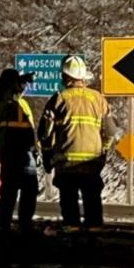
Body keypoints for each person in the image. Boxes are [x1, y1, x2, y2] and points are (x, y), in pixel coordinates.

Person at [38, 55, 117, 236]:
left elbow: (44, 133)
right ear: (83, 77)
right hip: (91, 163)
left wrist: (47, 155)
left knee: (69, 202)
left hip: (66, 164)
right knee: (92, 200)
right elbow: (111, 131)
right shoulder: (98, 99)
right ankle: (94, 235)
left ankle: (72, 235)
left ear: (66, 77)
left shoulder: (59, 98)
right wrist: (104, 149)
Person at [0, 68, 39, 242]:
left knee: (29, 190)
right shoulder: (2, 101)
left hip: (25, 151)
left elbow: (30, 129)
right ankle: (3, 228)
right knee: (10, 190)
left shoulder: (22, 104)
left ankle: (25, 226)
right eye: (18, 83)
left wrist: (35, 150)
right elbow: (7, 92)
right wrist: (21, 80)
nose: (22, 86)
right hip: (11, 151)